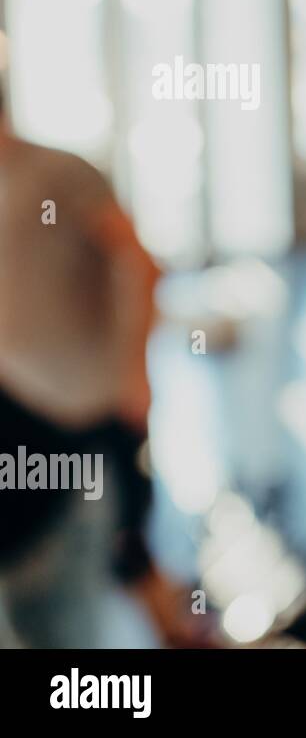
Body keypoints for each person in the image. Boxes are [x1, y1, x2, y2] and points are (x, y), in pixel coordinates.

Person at [0, 92, 203, 646]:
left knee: (126, 547)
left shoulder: (58, 173)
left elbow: (140, 262)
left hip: (90, 405)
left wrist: (136, 372)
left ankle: (182, 635)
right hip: (21, 403)